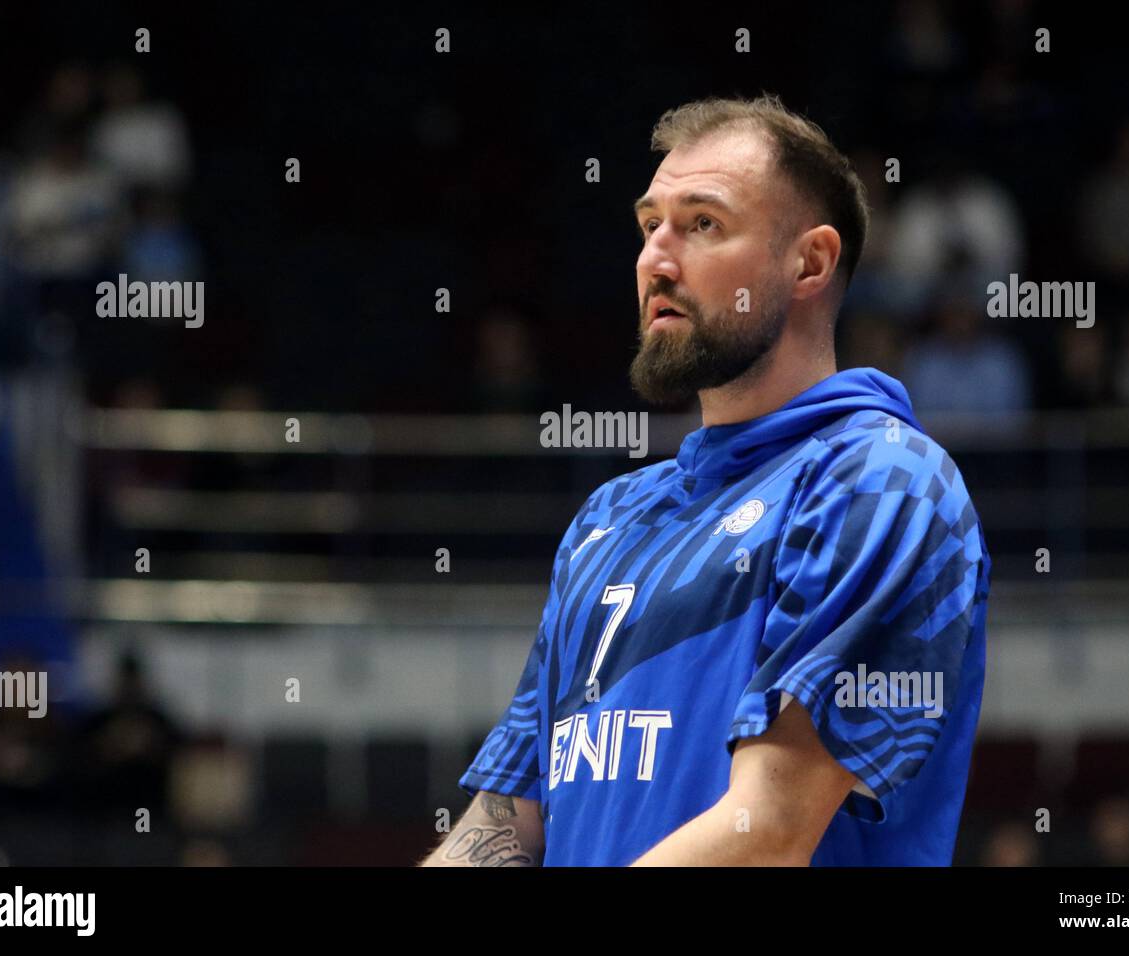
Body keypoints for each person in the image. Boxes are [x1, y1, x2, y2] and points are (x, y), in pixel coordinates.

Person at [421, 94, 990, 867]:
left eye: (702, 224)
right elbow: (509, 824)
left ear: (810, 262)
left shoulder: (881, 482)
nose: (656, 258)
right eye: (648, 224)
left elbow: (772, 832)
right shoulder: (608, 519)